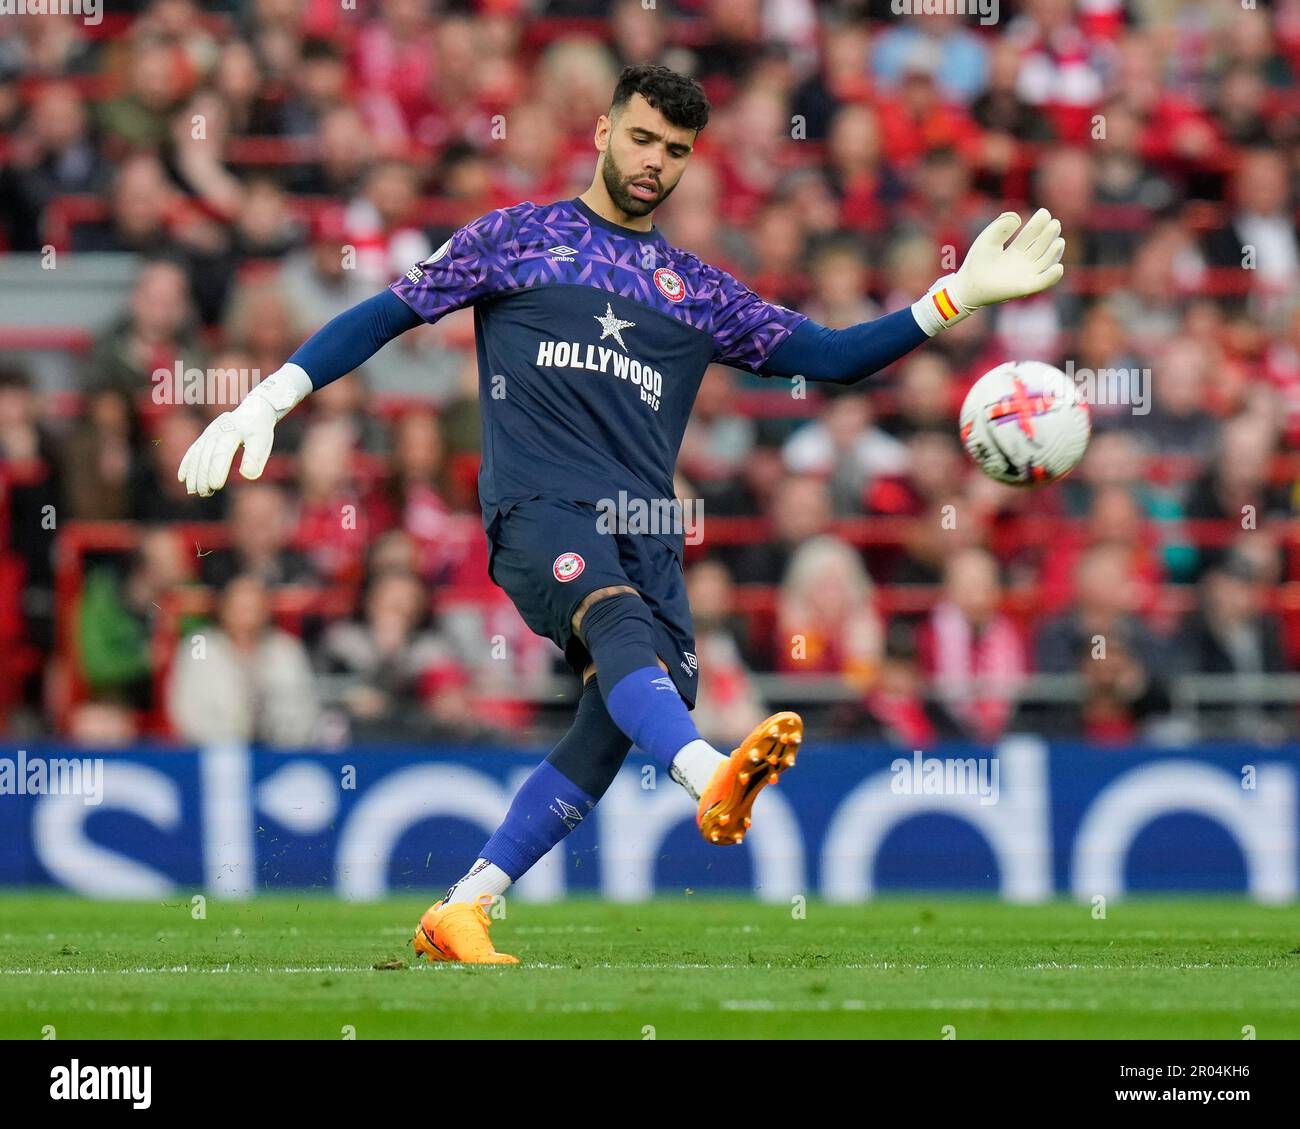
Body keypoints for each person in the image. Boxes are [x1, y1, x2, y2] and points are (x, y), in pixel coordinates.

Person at [175, 65, 1066, 963]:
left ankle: (465, 903)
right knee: (616, 625)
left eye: (676, 151)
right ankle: (706, 772)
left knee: (626, 705)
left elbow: (832, 356)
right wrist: (268, 400)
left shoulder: (695, 290)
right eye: (642, 139)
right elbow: (382, 315)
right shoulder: (517, 240)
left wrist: (955, 297)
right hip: (539, 510)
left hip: (647, 533)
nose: (655, 162)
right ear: (603, 131)